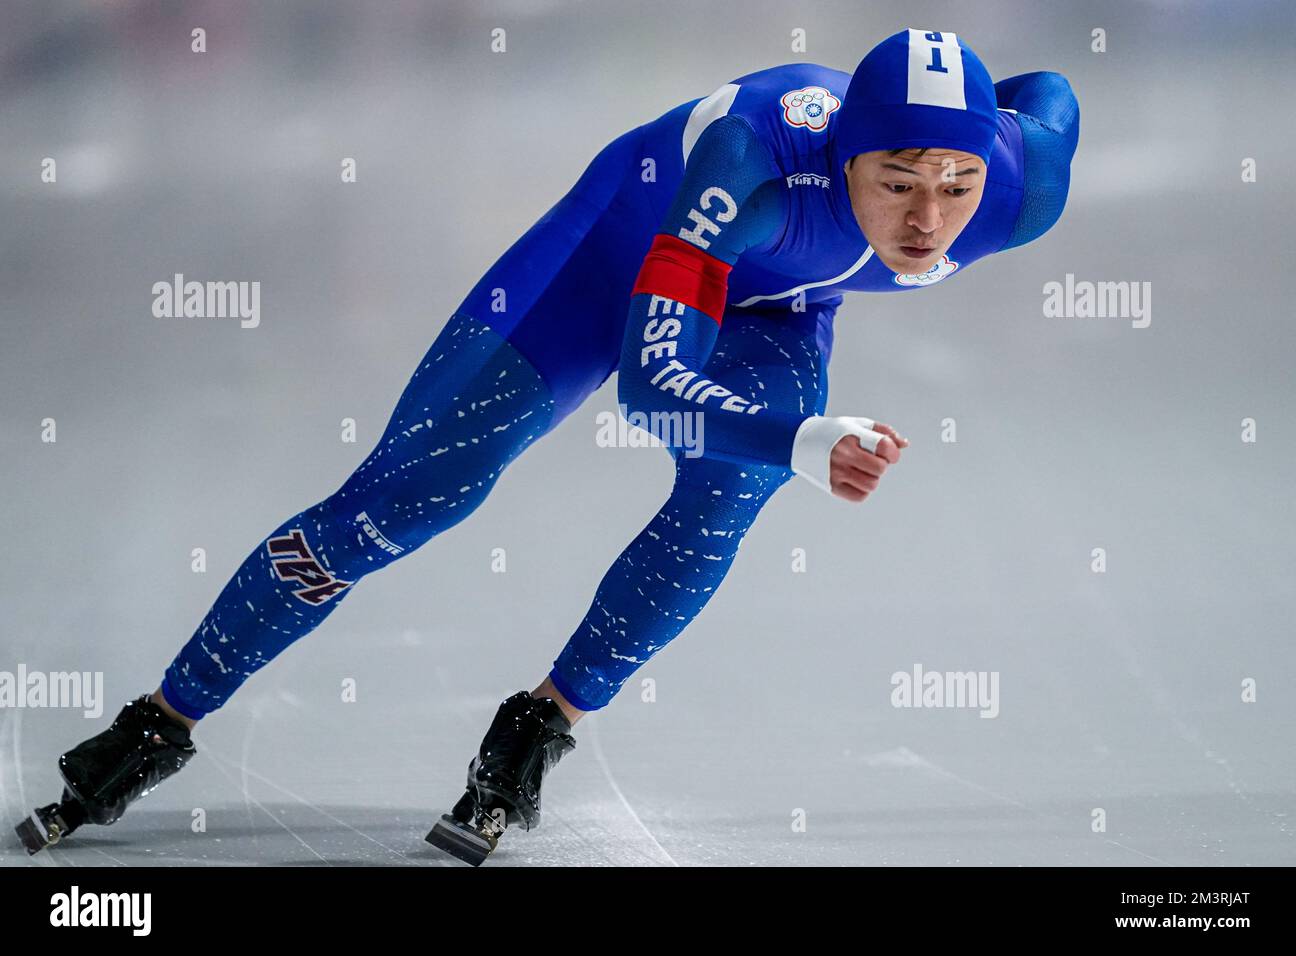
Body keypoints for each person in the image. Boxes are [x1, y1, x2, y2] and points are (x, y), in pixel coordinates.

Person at [16, 28, 1079, 863]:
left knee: (728, 492)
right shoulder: (752, 165)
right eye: (896, 179)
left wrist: (778, 440)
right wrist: (803, 438)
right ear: (844, 149)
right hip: (620, 253)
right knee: (410, 494)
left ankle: (539, 722)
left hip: (780, 307)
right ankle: (159, 720)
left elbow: (1050, 100)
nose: (929, 217)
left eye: (954, 181)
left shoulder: (1021, 185)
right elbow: (653, 389)